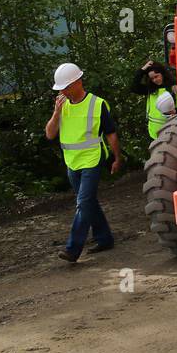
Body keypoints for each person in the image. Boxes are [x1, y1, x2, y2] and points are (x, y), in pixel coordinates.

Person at [45, 62, 122, 263]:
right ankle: (104, 239)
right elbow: (50, 134)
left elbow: (111, 133)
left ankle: (73, 249)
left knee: (83, 203)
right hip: (72, 163)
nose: (64, 92)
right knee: (89, 203)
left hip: (92, 160)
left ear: (78, 82)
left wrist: (116, 157)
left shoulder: (98, 104)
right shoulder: (62, 107)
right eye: (61, 88)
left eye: (66, 87)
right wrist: (56, 113)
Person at [131, 60, 177, 141]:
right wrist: (142, 70)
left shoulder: (174, 86)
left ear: (162, 74)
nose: (155, 80)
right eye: (152, 78)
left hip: (173, 131)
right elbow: (134, 87)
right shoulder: (151, 89)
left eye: (156, 76)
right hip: (155, 134)